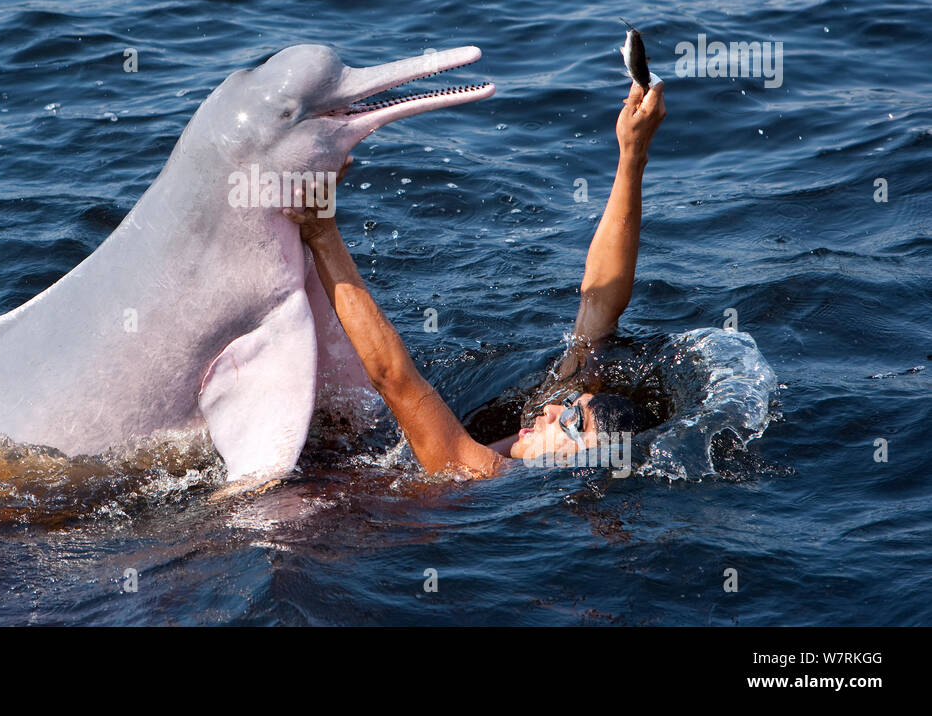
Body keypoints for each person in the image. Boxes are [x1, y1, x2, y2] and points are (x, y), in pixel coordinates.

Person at [283, 80, 666, 478]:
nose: (551, 410)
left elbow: (393, 378)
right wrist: (633, 154)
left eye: (571, 423)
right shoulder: (539, 441)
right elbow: (599, 305)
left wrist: (321, 231)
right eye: (569, 406)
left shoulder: (481, 474)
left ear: (582, 463)